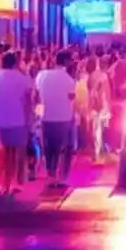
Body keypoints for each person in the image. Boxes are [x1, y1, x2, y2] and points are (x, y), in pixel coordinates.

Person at [0, 51, 34, 196]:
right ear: (15, 63)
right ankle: (15, 182)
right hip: (19, 119)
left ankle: (4, 184)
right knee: (17, 153)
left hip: (1, 119)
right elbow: (28, 102)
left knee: (4, 153)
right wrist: (29, 120)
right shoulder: (23, 79)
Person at [37, 50, 77, 189]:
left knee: (49, 148)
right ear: (67, 62)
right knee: (65, 148)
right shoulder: (69, 80)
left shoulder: (42, 76)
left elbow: (37, 95)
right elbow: (72, 100)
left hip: (46, 117)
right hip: (64, 118)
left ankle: (50, 174)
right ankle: (63, 177)